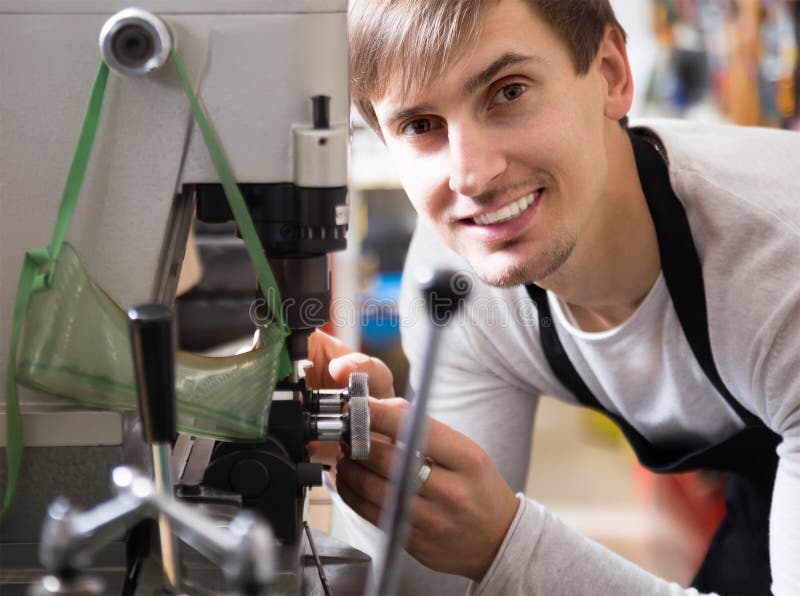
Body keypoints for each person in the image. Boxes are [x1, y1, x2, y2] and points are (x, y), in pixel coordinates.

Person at [307, 1, 800, 594]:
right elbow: (426, 583)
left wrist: (507, 547)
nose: (471, 176)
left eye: (508, 92)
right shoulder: (458, 277)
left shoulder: (777, 272)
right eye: (420, 125)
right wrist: (374, 458)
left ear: (612, 76)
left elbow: (488, 556)